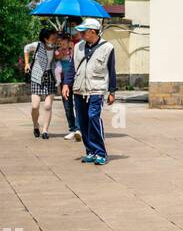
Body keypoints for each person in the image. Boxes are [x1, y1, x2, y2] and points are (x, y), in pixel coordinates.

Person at [64, 18, 117, 166]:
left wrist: (112, 91)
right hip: (79, 89)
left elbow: (112, 71)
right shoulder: (78, 47)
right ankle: (90, 151)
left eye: (83, 32)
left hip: (96, 89)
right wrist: (66, 84)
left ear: (92, 32)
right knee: (83, 121)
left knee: (93, 117)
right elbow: (72, 67)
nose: (80, 34)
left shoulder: (108, 47)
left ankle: (100, 152)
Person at [23, 28, 59, 139]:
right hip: (37, 77)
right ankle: (35, 125)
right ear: (45, 38)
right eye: (52, 38)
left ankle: (45, 131)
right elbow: (26, 48)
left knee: (48, 106)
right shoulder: (37, 45)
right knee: (35, 106)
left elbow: (59, 58)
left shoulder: (56, 48)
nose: (54, 40)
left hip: (50, 77)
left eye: (55, 38)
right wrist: (27, 63)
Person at [54, 29, 81, 141]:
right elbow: (57, 58)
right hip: (65, 80)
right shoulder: (59, 50)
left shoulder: (77, 46)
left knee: (79, 105)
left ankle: (79, 129)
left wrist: (71, 47)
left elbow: (76, 59)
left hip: (77, 79)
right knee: (67, 106)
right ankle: (72, 129)